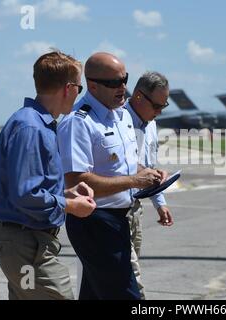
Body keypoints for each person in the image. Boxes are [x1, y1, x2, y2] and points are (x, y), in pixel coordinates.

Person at [0, 51, 97, 300]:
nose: (79, 94)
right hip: (27, 244)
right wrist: (70, 205)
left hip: (28, 243)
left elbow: (26, 188)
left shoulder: (34, 123)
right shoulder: (32, 128)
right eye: (79, 87)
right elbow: (26, 193)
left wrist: (64, 194)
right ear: (68, 88)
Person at [57, 52, 162, 300]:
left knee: (96, 295)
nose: (123, 88)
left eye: (124, 79)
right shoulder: (79, 121)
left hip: (119, 219)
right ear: (92, 85)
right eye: (114, 83)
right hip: (94, 222)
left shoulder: (122, 115)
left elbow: (123, 164)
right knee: (127, 296)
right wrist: (135, 181)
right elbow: (77, 182)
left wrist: (146, 172)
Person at [124, 71, 174, 299]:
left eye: (164, 106)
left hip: (136, 209)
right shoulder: (118, 120)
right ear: (138, 97)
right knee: (131, 282)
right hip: (115, 209)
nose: (159, 112)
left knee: (119, 280)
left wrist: (159, 202)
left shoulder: (151, 123)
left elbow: (149, 165)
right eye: (157, 106)